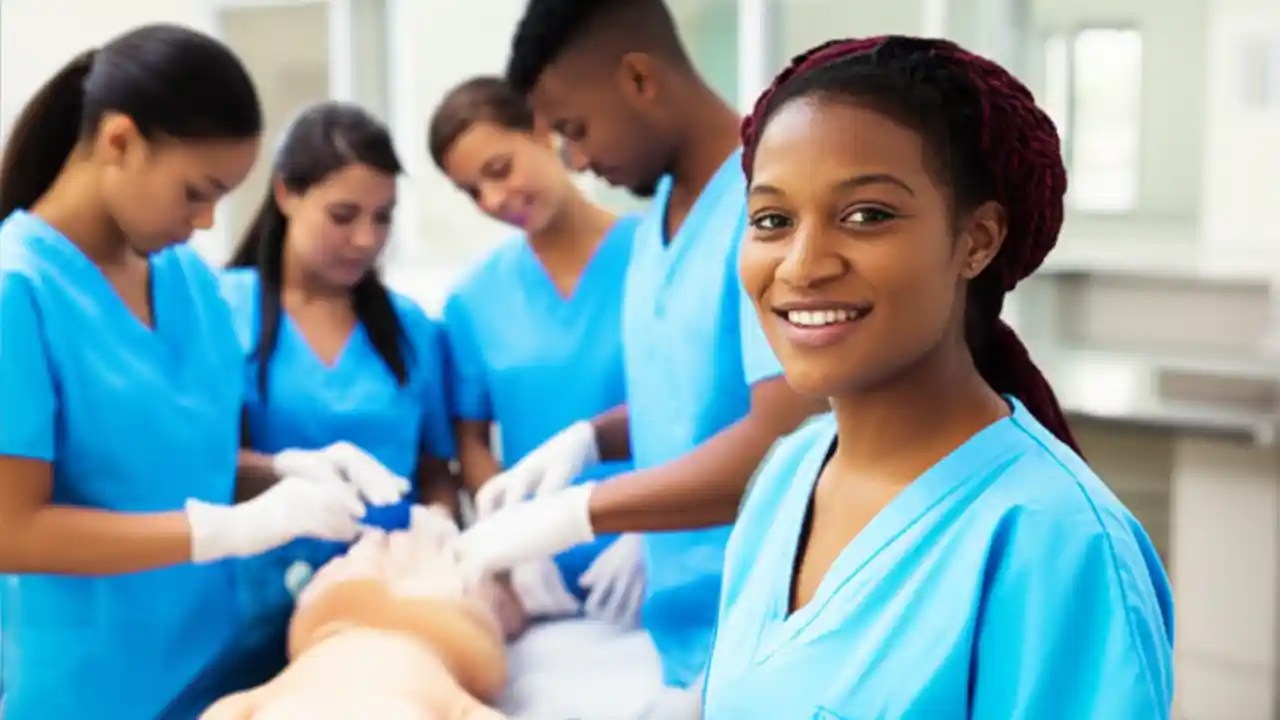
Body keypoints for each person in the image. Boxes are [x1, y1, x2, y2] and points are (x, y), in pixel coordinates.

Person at [700, 36, 1175, 719]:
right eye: (772, 220)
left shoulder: (1056, 541)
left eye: (867, 215)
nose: (801, 266)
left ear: (976, 241)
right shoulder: (789, 472)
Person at [0, 26, 406, 718]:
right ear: (120, 141)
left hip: (219, 670)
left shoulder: (186, 278)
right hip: (91, 688)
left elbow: (181, 461)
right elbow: (15, 528)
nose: (208, 220)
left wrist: (287, 470)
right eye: (196, 191)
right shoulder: (21, 289)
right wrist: (226, 530)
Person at [453, 0, 825, 702]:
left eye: (577, 130)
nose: (580, 160)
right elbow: (693, 394)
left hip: (766, 633)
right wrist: (592, 437)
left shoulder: (768, 204)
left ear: (638, 79)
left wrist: (581, 511)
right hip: (681, 643)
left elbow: (786, 440)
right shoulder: (656, 221)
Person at [217, 101, 458, 685]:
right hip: (246, 605)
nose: (364, 239)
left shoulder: (411, 330)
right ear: (285, 194)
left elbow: (434, 472)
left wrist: (440, 535)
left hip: (384, 603)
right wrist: (288, 470)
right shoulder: (220, 309)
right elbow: (198, 462)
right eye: (343, 215)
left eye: (383, 218)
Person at [428, 76, 642, 623]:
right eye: (472, 190)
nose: (494, 199)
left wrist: (663, 532)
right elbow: (470, 440)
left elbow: (710, 411)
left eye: (499, 169)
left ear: (544, 130)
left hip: (661, 556)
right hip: (540, 586)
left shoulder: (657, 257)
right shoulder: (474, 300)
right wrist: (510, 536)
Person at [201, 505, 522, 720]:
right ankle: (439, 530)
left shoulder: (267, 703)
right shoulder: (449, 697)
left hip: (337, 616)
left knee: (391, 550)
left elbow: (227, 708)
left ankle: (430, 531)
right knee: (446, 556)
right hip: (448, 628)